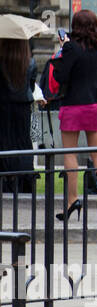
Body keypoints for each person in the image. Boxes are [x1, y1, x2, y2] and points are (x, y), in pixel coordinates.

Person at [52, 10, 97, 222]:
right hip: (94, 104)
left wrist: (62, 49)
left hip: (73, 104)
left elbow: (61, 76)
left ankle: (73, 200)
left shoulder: (71, 47)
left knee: (70, 154)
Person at [0, 37, 37, 192]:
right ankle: (23, 180)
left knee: (4, 140)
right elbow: (31, 86)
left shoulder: (1, 61)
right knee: (23, 142)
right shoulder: (30, 62)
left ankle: (5, 178)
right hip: (22, 106)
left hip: (3, 104)